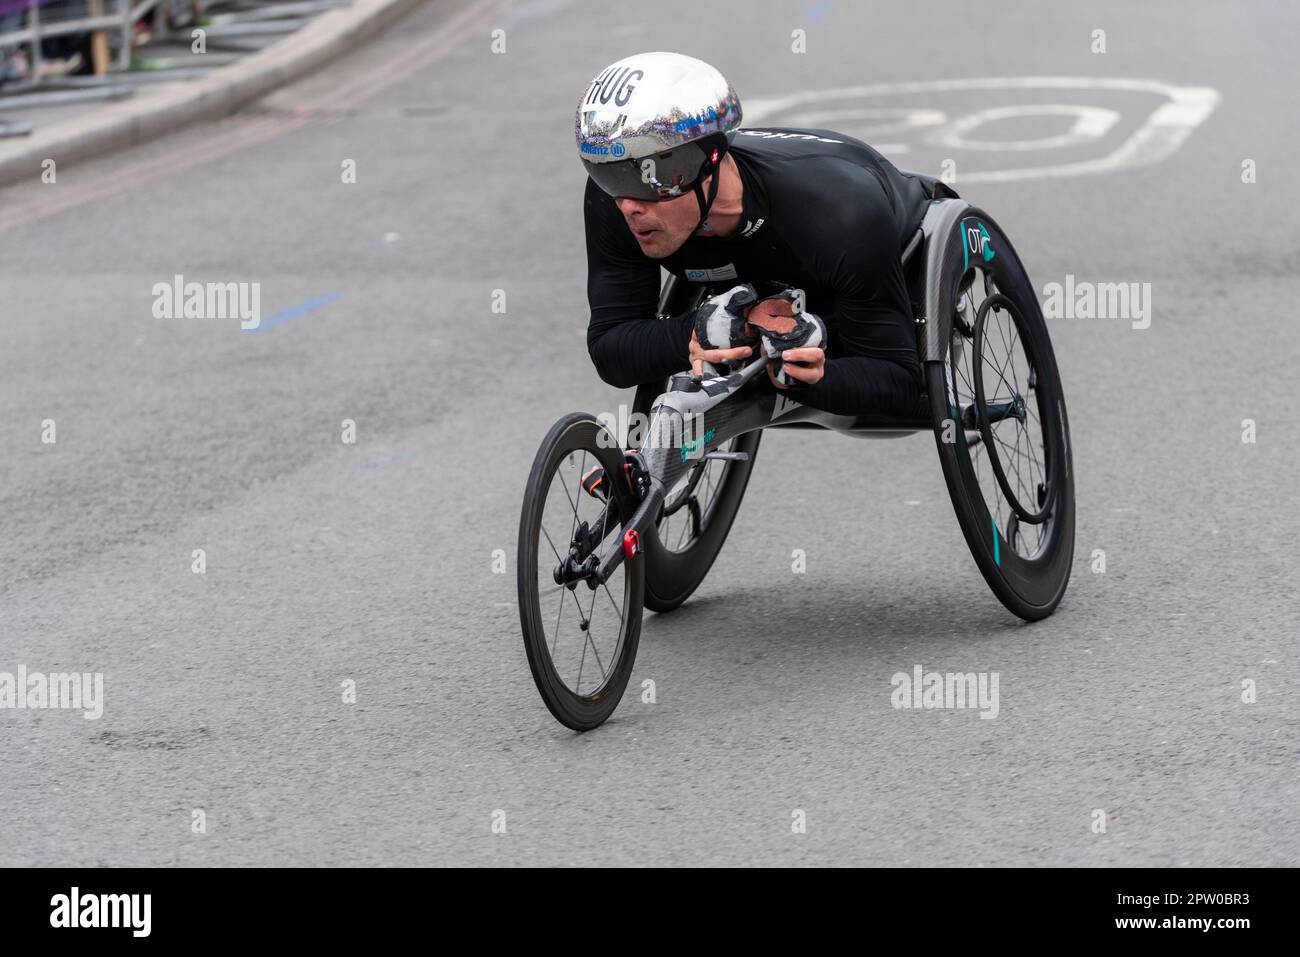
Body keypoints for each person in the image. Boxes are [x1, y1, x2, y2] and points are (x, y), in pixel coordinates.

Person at [579, 51, 951, 418]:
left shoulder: (842, 213)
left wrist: (817, 378)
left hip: (875, 248)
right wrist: (704, 328)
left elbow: (900, 384)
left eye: (650, 177)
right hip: (765, 277)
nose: (628, 205)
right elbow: (612, 354)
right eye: (607, 173)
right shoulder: (616, 199)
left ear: (707, 162)